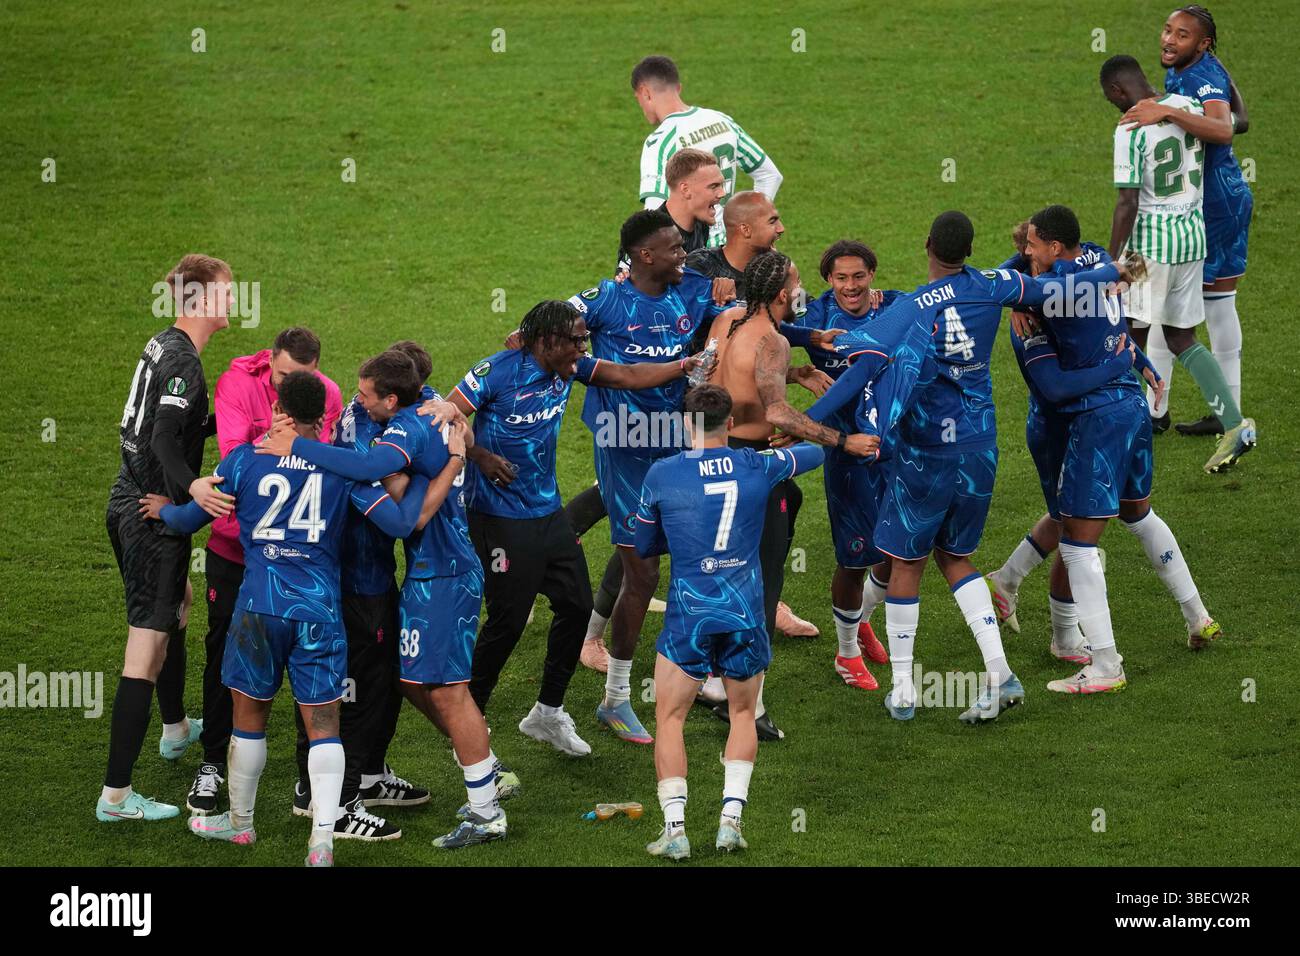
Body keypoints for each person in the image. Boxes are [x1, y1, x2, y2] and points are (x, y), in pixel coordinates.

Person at [803, 211, 1138, 720]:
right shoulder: (993, 286)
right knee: (956, 559)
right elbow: (1047, 289)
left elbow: (859, 363)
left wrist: (807, 415)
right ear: (968, 250)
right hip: (979, 446)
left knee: (906, 563)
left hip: (925, 450)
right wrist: (1114, 271)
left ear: (927, 244)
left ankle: (904, 688)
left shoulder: (913, 305)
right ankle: (1000, 674)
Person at [146, 372, 436, 866]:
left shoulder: (243, 461)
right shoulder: (343, 470)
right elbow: (398, 523)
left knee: (249, 718)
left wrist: (162, 512)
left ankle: (239, 824)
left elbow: (191, 518)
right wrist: (432, 472)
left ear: (278, 408)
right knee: (324, 724)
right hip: (320, 611)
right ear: (323, 417)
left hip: (258, 607)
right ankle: (322, 841)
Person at [440, 301, 705, 755]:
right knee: (506, 622)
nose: (583, 347)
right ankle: (468, 718)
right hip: (499, 518)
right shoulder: (496, 372)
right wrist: (480, 457)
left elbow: (627, 376)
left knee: (577, 605)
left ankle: (547, 712)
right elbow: (446, 414)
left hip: (546, 511)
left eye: (585, 339)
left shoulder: (572, 367)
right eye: (576, 340)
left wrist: (684, 365)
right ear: (546, 341)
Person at [1018, 207, 1224, 686]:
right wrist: (1133, 356)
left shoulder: (1059, 286)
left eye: (1032, 244)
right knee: (1138, 512)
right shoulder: (1093, 257)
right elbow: (1127, 275)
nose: (1026, 252)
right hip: (1133, 408)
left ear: (1053, 248)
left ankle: (1106, 665)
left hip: (1099, 417)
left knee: (1077, 543)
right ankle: (1198, 617)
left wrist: (1016, 304)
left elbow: (1050, 380)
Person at [570, 209, 739, 745]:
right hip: (624, 446)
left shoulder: (687, 289)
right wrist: (547, 345)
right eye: (673, 248)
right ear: (644, 255)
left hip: (678, 439)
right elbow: (541, 329)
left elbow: (750, 312)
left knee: (697, 555)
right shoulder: (605, 299)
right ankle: (616, 699)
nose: (683, 255)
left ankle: (704, 669)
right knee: (642, 574)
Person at [635, 385, 824, 859]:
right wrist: (788, 442)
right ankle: (730, 824)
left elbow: (643, 546)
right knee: (743, 713)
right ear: (731, 425)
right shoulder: (758, 464)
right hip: (744, 614)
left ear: (684, 424)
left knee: (670, 717)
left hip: (690, 615)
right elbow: (815, 452)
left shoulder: (662, 474)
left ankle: (675, 829)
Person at [704, 250, 880, 740]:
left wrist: (793, 373)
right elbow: (780, 415)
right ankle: (748, 707)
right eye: (798, 285)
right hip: (756, 468)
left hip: (717, 455)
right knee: (764, 586)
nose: (801, 293)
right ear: (783, 294)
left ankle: (714, 682)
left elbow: (704, 378)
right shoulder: (773, 341)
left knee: (726, 575)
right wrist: (842, 439)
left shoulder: (727, 319)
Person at [98, 254, 233, 824]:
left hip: (125, 496)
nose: (234, 300)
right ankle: (116, 797)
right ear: (199, 301)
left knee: (176, 613)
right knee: (145, 649)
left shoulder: (163, 344)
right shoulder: (186, 361)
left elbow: (171, 420)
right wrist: (192, 488)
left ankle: (176, 729)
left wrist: (220, 421)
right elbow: (162, 437)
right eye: (227, 292)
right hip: (151, 517)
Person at [190, 326, 344, 817]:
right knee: (224, 666)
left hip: (261, 580)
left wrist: (182, 498)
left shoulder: (326, 398)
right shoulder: (237, 384)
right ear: (268, 363)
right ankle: (214, 767)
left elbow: (237, 465)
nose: (281, 387)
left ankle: (254, 814)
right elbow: (354, 482)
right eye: (278, 376)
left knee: (257, 698)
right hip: (259, 567)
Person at [1101, 53, 1256, 473]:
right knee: (1180, 337)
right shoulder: (1187, 108)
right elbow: (1233, 124)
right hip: (1192, 238)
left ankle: (1119, 432)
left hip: (1147, 248)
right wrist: (1223, 70)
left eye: (1109, 97)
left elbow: (1127, 201)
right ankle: (1232, 423)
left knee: (1123, 334)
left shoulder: (1131, 126)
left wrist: (1113, 261)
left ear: (1117, 90)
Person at [794, 240, 903, 689]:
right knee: (855, 557)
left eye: (858, 276)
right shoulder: (814, 318)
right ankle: (845, 653)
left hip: (894, 446)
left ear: (872, 274)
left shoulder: (895, 307)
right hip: (846, 452)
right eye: (841, 278)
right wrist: (795, 373)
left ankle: (862, 619)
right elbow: (763, 330)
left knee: (898, 550)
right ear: (828, 281)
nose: (850, 286)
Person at [631, 55, 782, 245]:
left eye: (638, 99)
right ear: (678, 88)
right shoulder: (721, 121)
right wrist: (752, 223)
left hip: (694, 259)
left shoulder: (661, 141)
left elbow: (653, 218)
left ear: (645, 93)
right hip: (731, 251)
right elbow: (770, 175)